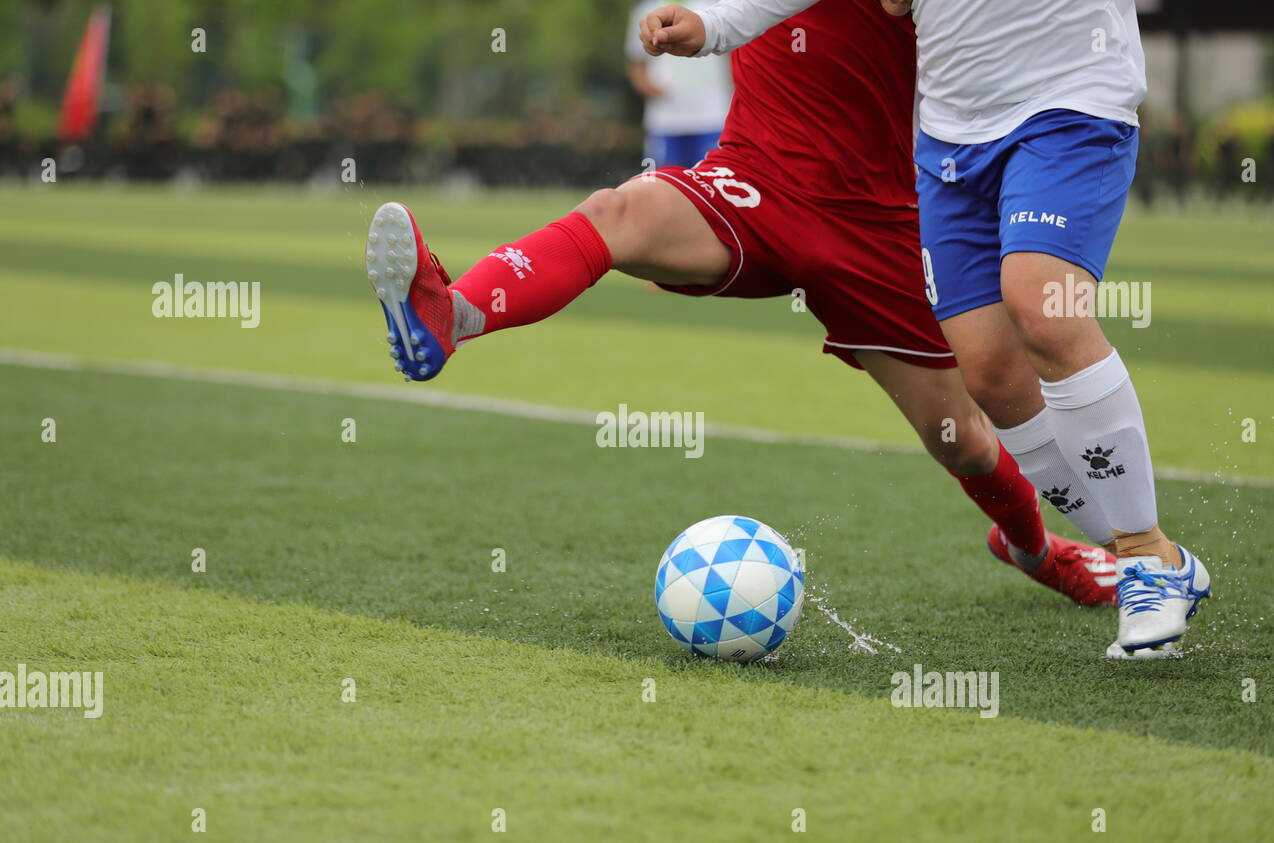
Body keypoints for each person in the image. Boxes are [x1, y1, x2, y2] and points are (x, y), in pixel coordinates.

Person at [361, 1, 1118, 614]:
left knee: (963, 439)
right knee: (615, 213)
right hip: (754, 182)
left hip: (883, 224)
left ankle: (1036, 549)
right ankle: (450, 315)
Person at [639, 0, 1211, 660]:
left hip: (1067, 99)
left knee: (1043, 311)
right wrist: (716, 27)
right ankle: (1152, 554)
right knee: (992, 376)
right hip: (950, 135)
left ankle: (1144, 561)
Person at [626, 0, 732, 169]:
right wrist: (650, 88)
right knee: (660, 184)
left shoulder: (716, 5)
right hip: (666, 120)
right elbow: (637, 64)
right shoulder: (646, 10)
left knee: (710, 184)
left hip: (711, 116)